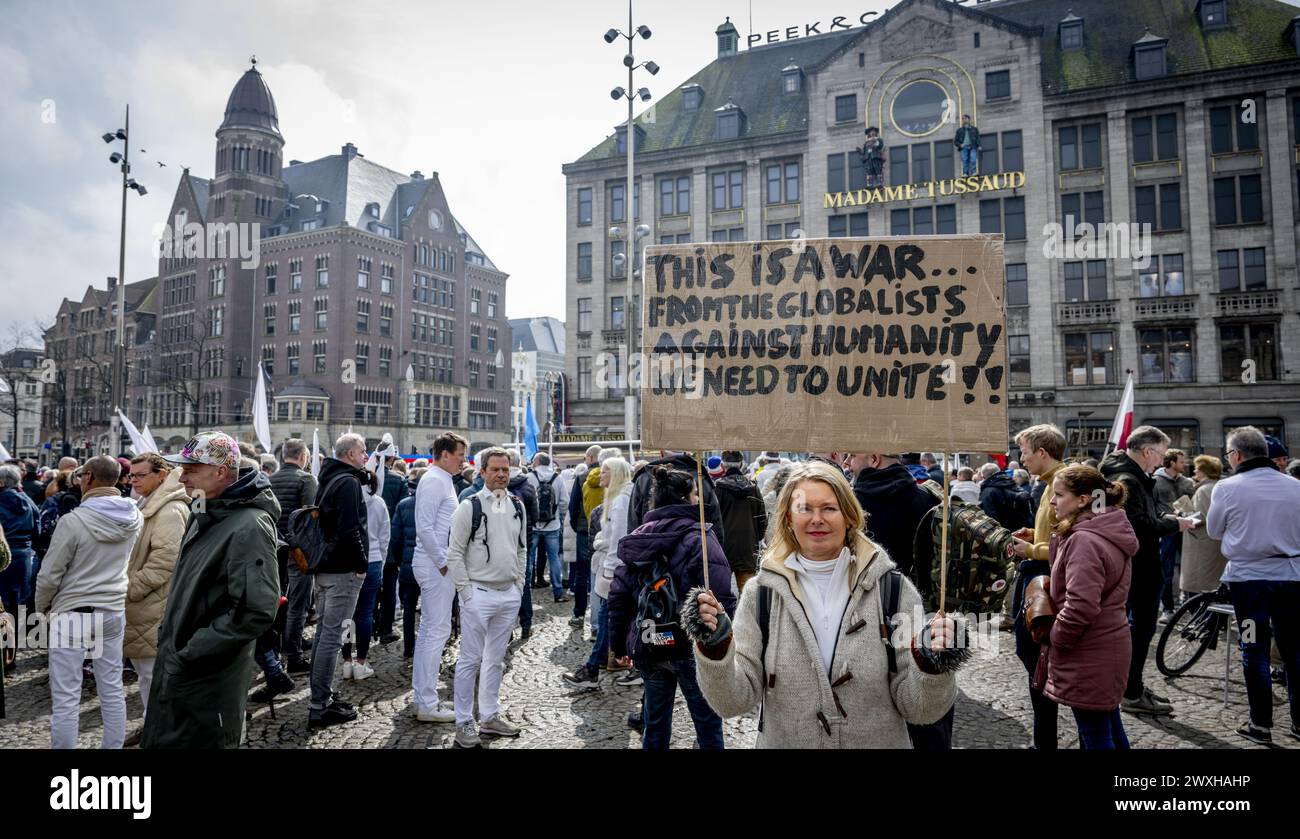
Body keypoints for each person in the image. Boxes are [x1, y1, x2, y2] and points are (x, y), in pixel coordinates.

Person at [691, 461, 959, 748]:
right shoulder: (761, 594)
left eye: (829, 508)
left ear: (849, 516)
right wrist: (715, 650)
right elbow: (733, 701)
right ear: (788, 519)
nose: (816, 519)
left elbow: (920, 709)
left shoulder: (892, 590)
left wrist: (934, 668)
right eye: (804, 508)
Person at [142, 431, 279, 749]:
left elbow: (254, 610)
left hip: (207, 673)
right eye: (182, 468)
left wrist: (190, 652)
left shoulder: (249, 525)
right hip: (183, 665)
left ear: (220, 472)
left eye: (191, 469)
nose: (182, 476)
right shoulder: (203, 511)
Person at [608, 465, 736, 749]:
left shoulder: (638, 536)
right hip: (690, 647)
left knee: (654, 725)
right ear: (684, 499)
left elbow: (618, 597)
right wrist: (723, 643)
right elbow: (720, 595)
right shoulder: (699, 536)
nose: (698, 500)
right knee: (708, 726)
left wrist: (618, 646)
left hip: (649, 642)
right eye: (694, 494)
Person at [34, 456, 143, 749]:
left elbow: (49, 574)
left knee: (67, 694)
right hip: (112, 609)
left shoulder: (73, 521)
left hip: (73, 611)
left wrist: (41, 607)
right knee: (111, 687)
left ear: (90, 478)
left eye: (83, 475)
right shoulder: (135, 516)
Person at [846, 451, 953, 748]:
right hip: (924, 614)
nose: (848, 463)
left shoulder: (848, 506)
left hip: (865, 617)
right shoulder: (930, 497)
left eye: (853, 456)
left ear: (874, 459)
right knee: (927, 701)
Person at [1207, 426, 1300, 744]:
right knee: (1293, 650)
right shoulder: (1295, 486)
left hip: (1248, 582)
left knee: (1253, 648)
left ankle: (1260, 724)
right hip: (1290, 577)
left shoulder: (1227, 487)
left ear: (1236, 455)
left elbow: (1214, 530)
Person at [1034, 466, 1137, 749]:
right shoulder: (1101, 529)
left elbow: (1080, 606)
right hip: (1106, 643)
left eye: (1059, 495)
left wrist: (1057, 638)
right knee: (1108, 728)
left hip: (1090, 648)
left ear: (1083, 500)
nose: (1052, 501)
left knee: (1096, 736)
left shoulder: (1084, 540)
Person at [1099, 426, 1195, 717]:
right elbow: (1136, 526)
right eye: (1161, 454)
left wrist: (1165, 518)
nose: (1162, 460)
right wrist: (1173, 525)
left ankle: (1131, 685)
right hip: (1139, 565)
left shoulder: (1128, 474)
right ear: (1147, 451)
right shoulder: (1127, 478)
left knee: (1135, 628)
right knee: (1140, 629)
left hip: (1135, 563)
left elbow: (1140, 517)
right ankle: (1130, 690)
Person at [446, 447, 527, 747]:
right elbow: (453, 553)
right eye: (495, 469)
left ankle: (490, 716)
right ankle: (464, 722)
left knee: (496, 659)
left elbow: (522, 547)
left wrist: (518, 585)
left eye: (505, 469)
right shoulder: (469, 506)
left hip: (508, 594)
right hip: (478, 593)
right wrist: (466, 594)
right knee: (469, 660)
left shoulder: (518, 505)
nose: (501, 474)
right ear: (482, 472)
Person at [299, 432, 371, 730]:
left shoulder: (327, 479)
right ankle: (320, 705)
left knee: (324, 636)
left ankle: (323, 696)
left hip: (325, 568)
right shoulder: (349, 482)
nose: (366, 456)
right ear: (350, 454)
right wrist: (361, 564)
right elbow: (349, 529)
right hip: (342, 569)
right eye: (363, 450)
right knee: (331, 637)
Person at [121, 453, 190, 746]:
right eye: (131, 475)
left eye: (139, 475)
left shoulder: (170, 509)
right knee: (148, 675)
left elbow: (165, 560)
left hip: (153, 602)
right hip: (145, 604)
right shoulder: (150, 501)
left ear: (161, 475)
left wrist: (132, 588)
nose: (132, 480)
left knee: (153, 674)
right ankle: (155, 726)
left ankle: (161, 732)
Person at [1008, 423, 1067, 749]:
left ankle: (1045, 741)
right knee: (1033, 656)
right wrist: (1034, 535)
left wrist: (1031, 549)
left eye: (1025, 452)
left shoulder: (1061, 485)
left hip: (1044, 577)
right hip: (1038, 572)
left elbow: (1070, 542)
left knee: (1036, 656)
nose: (1022, 459)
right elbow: (1053, 534)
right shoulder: (1047, 485)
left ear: (1042, 453)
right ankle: (1044, 738)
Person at [411, 432, 468, 723]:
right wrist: (445, 563)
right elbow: (425, 527)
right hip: (435, 566)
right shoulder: (434, 480)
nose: (463, 461)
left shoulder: (440, 479)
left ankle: (423, 696)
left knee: (432, 633)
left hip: (435, 564)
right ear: (445, 454)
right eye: (460, 456)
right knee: (437, 633)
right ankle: (427, 702)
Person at [563, 457, 633, 687]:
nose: (599, 475)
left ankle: (593, 668)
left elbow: (619, 540)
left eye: (604, 472)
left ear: (615, 474)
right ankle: (598, 665)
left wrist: (610, 572)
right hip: (613, 567)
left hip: (615, 570)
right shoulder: (617, 498)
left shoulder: (621, 501)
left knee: (607, 618)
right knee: (609, 618)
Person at [269, 439, 318, 676]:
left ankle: (276, 652)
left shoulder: (269, 480)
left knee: (278, 603)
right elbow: (309, 516)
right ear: (303, 456)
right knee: (298, 604)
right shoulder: (306, 479)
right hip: (297, 551)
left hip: (273, 548)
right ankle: (294, 657)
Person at [341, 470, 389, 682]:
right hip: (373, 559)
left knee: (346, 614)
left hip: (348, 560)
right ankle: (361, 662)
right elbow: (385, 535)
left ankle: (346, 661)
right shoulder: (378, 503)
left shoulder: (346, 500)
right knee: (365, 613)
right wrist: (382, 559)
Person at [713, 450, 767, 592]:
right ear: (741, 464)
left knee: (721, 593)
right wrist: (756, 538)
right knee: (747, 596)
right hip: (748, 548)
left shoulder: (718, 488)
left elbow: (712, 519)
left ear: (723, 466)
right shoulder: (753, 488)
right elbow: (762, 519)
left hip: (723, 548)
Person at [388, 467, 425, 663]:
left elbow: (395, 538)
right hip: (430, 566)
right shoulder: (439, 506)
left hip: (409, 565)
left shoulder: (403, 505)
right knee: (429, 610)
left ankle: (409, 647)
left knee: (409, 608)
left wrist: (401, 560)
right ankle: (428, 647)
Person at [1153, 448, 1195, 621]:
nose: (1184, 464)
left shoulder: (1186, 482)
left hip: (1186, 528)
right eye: (1181, 461)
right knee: (1166, 569)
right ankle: (1167, 608)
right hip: (1167, 530)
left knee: (1190, 567)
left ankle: (1191, 605)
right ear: (1171, 463)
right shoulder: (1155, 481)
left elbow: (1192, 503)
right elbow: (1153, 506)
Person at [1180, 456, 1226, 595]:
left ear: (1204, 471)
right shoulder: (1219, 487)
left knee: (1198, 590)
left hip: (1201, 545)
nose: (1194, 470)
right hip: (1215, 544)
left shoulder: (1203, 490)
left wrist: (1182, 514)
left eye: (1197, 468)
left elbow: (1200, 518)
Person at [526, 452, 566, 608]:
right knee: (554, 558)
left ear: (536, 462)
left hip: (534, 525)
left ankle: (526, 590)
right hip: (553, 525)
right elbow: (564, 502)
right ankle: (558, 592)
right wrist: (557, 515)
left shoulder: (530, 477)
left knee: (530, 558)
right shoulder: (558, 478)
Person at [0, 464, 38, 620]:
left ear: (1, 483)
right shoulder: (28, 501)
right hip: (24, 555)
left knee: (4, 601)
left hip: (4, 556)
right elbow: (38, 528)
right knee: (20, 599)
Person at [978, 462, 1031, 531]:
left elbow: (989, 517)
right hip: (1022, 531)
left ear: (984, 477)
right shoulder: (1013, 484)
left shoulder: (988, 491)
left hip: (1002, 534)